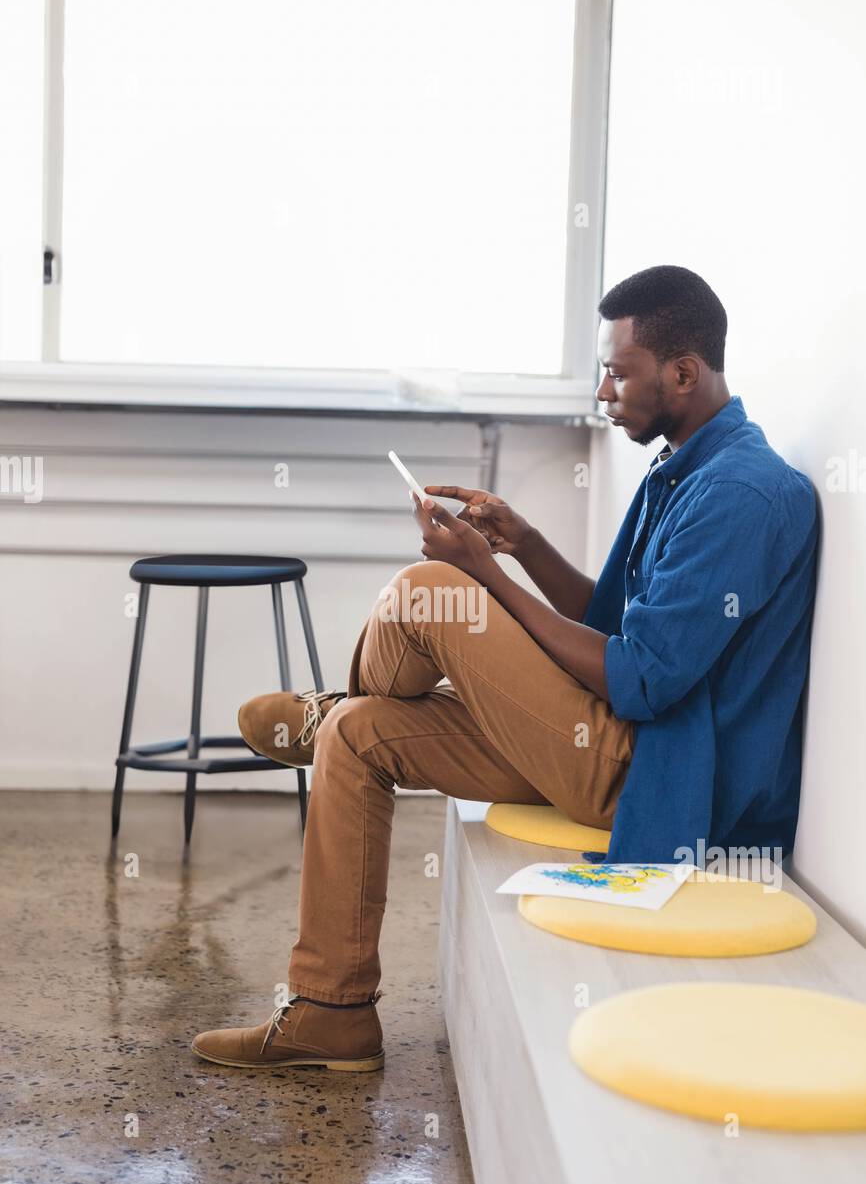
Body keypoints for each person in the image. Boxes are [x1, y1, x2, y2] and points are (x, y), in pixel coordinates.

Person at [191, 265, 818, 1072]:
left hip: (655, 774)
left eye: (618, 373)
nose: (602, 392)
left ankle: (332, 700)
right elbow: (611, 623)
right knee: (358, 735)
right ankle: (329, 1013)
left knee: (429, 591)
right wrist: (522, 545)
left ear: (684, 372)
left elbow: (639, 679)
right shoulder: (687, 469)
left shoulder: (744, 494)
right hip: (624, 740)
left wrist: (485, 577)